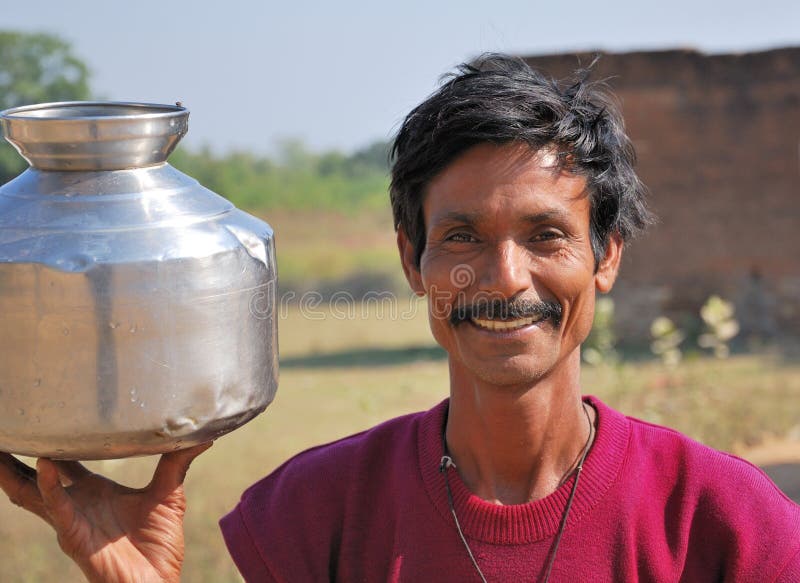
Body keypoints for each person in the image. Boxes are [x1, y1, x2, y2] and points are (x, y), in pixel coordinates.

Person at [1, 54, 798, 583]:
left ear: (608, 254)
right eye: (461, 237)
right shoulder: (318, 513)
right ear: (412, 260)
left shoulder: (720, 521)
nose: (505, 277)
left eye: (546, 234)